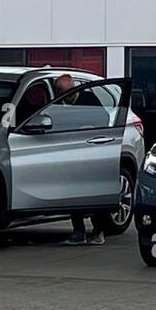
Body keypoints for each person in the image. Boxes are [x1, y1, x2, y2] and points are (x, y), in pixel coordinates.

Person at [52, 73, 105, 247]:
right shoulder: (58, 103)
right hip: (69, 154)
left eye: (71, 92)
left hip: (89, 151)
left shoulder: (89, 99)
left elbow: (103, 118)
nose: (68, 96)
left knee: (92, 193)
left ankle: (98, 231)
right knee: (73, 192)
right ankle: (79, 232)